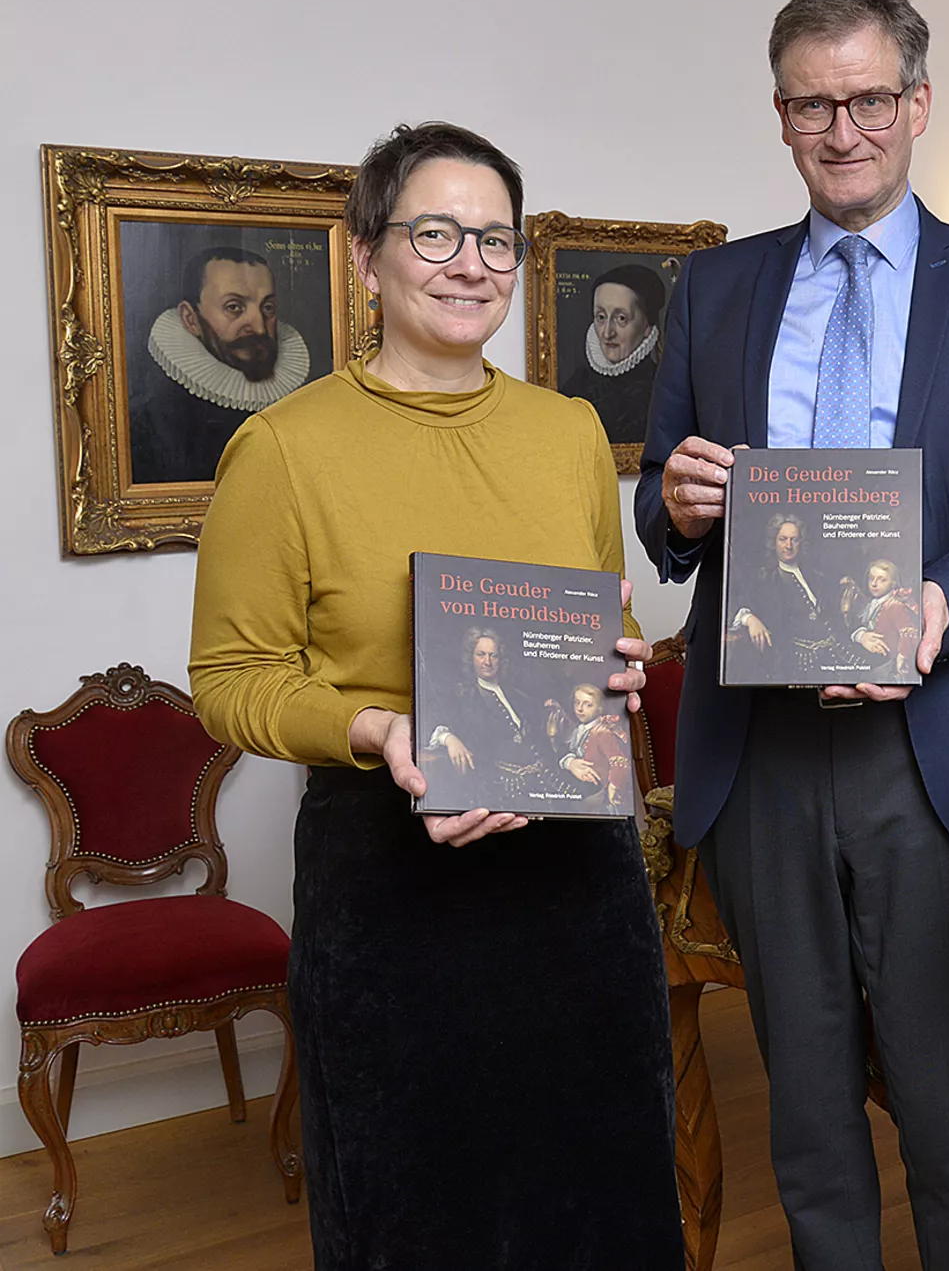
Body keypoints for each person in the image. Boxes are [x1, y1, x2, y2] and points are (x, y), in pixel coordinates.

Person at [634, 0, 949, 1270]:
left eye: (869, 99)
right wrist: (677, 503)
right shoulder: (713, 287)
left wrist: (935, 604)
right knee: (808, 1116)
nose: (843, 131)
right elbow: (663, 506)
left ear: (918, 103)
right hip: (761, 755)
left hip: (930, 753)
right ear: (779, 115)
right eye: (812, 105)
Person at [190, 122, 685, 1269]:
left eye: (495, 239)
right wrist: (376, 728)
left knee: (601, 1194)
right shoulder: (283, 448)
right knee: (415, 1206)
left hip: (577, 873)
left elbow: (597, 625)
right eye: (435, 234)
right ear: (366, 257)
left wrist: (615, 664)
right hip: (391, 873)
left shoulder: (569, 432)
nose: (471, 264)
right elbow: (228, 681)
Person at [129, 246, 315, 483]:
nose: (259, 328)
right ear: (190, 318)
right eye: (234, 307)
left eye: (267, 308)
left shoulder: (303, 406)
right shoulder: (151, 424)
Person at [421, 626, 551, 812]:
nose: (487, 662)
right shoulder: (461, 696)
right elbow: (428, 722)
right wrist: (449, 738)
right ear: (471, 658)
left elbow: (539, 737)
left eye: (493, 656)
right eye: (481, 655)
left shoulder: (519, 696)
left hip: (539, 782)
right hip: (495, 788)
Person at [725, 512, 848, 681]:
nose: (788, 545)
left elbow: (834, 615)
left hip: (833, 654)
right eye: (783, 539)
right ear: (773, 542)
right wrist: (750, 618)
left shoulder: (816, 576)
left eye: (794, 540)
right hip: (793, 662)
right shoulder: (763, 578)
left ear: (800, 543)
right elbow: (736, 603)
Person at [562, 261, 666, 446]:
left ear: (647, 327)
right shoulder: (575, 386)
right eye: (601, 317)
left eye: (621, 318)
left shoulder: (662, 392)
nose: (607, 333)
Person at [554, 681, 633, 813]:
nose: (580, 708)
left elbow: (620, 762)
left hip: (599, 793)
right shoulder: (579, 729)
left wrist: (614, 785)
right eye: (577, 703)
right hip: (581, 787)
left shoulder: (601, 732)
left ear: (599, 709)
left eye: (588, 705)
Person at [843, 556, 921, 674]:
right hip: (871, 658)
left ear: (893, 583)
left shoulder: (894, 605)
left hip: (887, 663)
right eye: (871, 578)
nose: (874, 584)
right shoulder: (873, 603)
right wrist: (861, 635)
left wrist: (902, 656)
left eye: (882, 580)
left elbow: (908, 632)